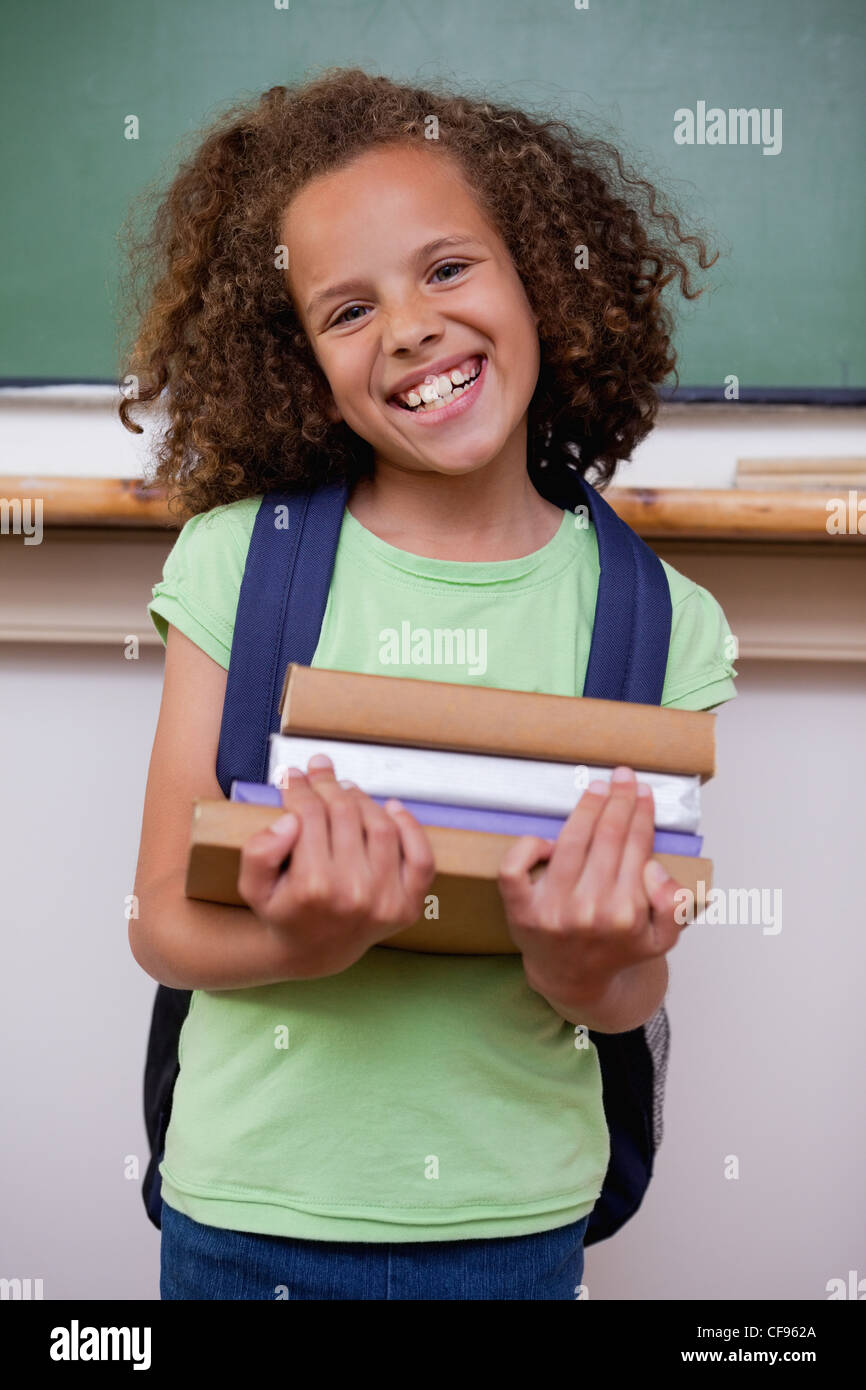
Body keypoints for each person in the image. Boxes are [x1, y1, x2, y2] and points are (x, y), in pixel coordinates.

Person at [120, 68, 738, 1300]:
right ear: (296, 363)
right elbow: (157, 923)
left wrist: (578, 966)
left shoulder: (660, 619)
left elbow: (631, 986)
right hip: (247, 1223)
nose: (407, 326)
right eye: (346, 311)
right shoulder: (241, 566)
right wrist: (307, 936)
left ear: (541, 282)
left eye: (447, 270)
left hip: (511, 1231)